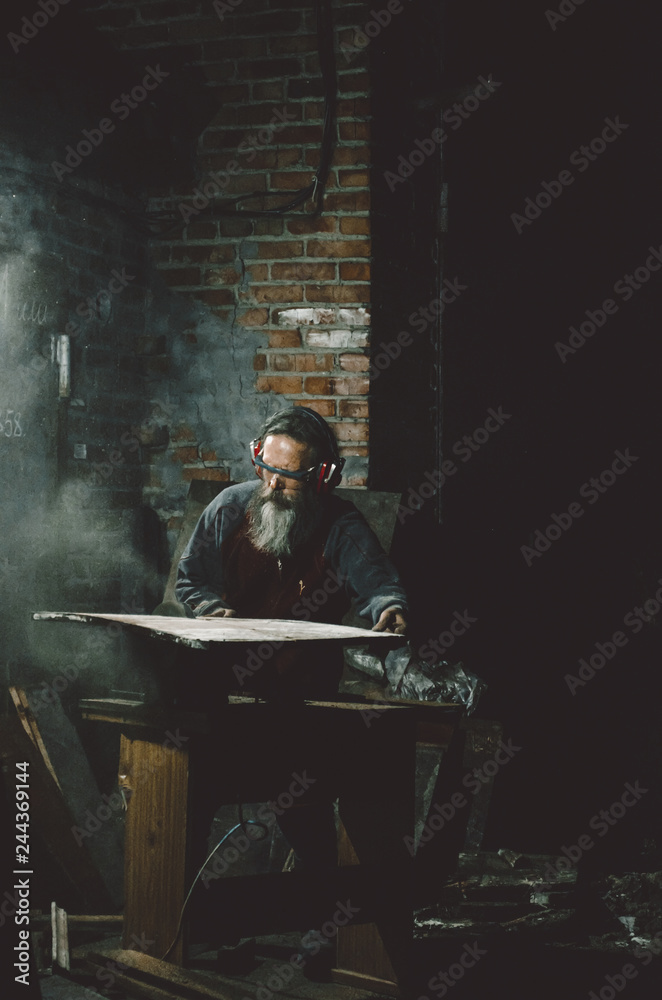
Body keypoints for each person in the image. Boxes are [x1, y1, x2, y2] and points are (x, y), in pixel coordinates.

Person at [175, 405, 408, 699]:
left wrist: (389, 607)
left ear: (322, 478)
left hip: (306, 689)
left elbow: (378, 584)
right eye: (267, 468)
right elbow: (190, 579)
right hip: (224, 679)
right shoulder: (228, 509)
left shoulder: (341, 526)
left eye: (288, 475)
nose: (273, 484)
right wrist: (209, 607)